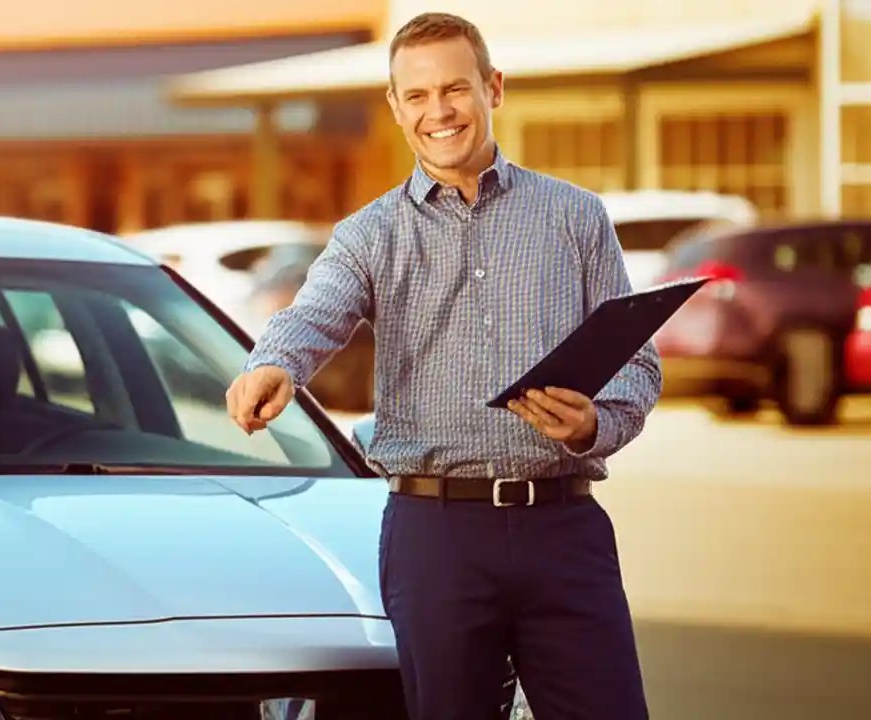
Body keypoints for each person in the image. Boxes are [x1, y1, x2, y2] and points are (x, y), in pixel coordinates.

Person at [224, 11, 661, 720]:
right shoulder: (370, 233)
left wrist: (592, 427)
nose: (440, 111)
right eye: (418, 96)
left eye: (454, 89)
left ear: (493, 88)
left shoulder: (576, 218)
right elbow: (313, 314)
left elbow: (638, 365)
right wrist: (275, 365)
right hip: (438, 536)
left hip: (564, 530)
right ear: (396, 109)